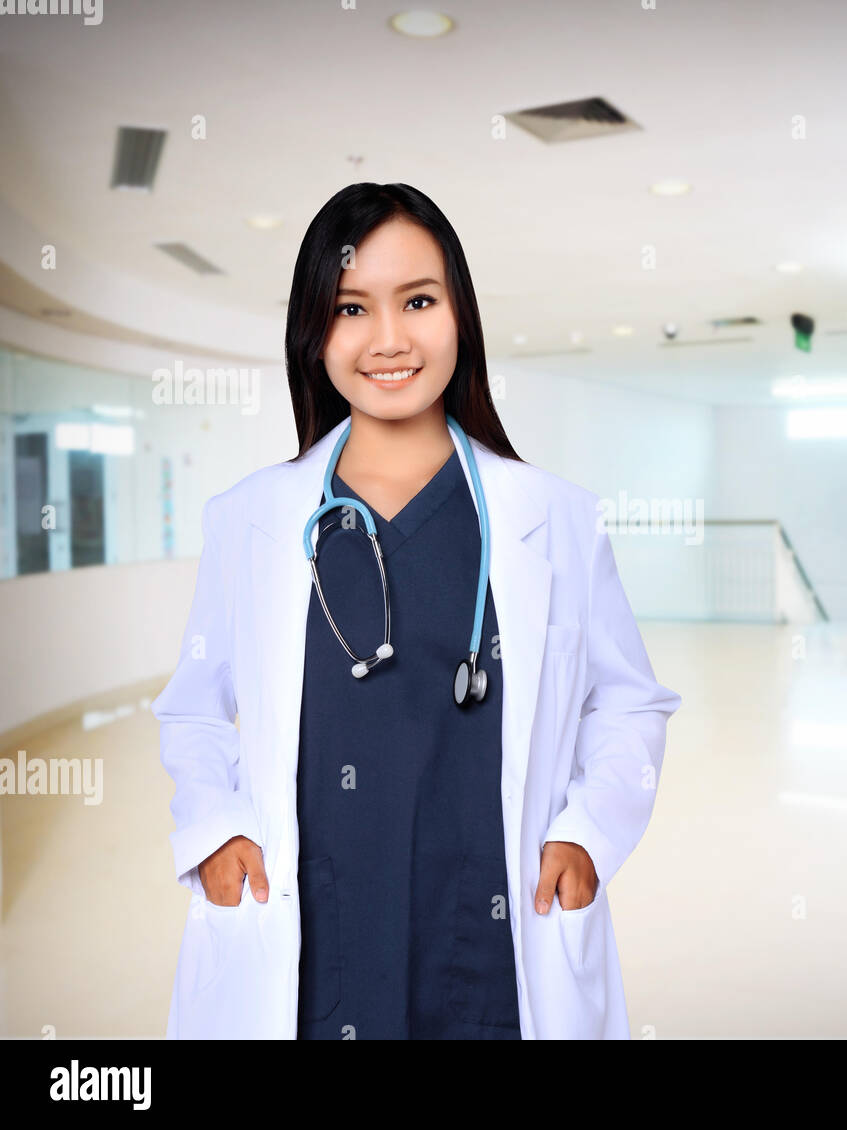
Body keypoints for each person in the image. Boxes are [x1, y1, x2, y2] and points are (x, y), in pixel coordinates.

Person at [154, 182, 682, 1039]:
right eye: (352, 307)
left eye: (420, 301)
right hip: (313, 922)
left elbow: (627, 700)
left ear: (460, 316)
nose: (390, 339)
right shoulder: (248, 519)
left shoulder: (556, 518)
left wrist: (586, 837)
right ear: (313, 334)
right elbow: (194, 705)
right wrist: (212, 827)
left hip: (489, 923)